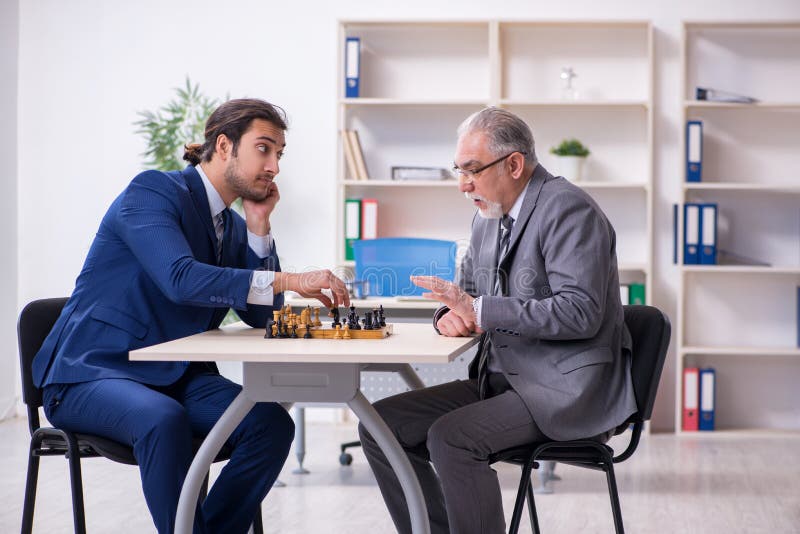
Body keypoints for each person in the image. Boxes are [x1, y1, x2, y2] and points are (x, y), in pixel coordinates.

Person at [32, 98, 350, 533]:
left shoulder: (233, 228)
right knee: (163, 419)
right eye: (264, 149)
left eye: (279, 154)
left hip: (177, 378)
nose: (275, 166)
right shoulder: (152, 193)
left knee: (270, 424)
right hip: (92, 375)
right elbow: (180, 279)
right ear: (224, 145)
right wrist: (290, 280)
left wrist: (259, 227)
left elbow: (262, 319)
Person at [358, 107, 636, 534]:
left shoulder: (568, 210)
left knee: (452, 438)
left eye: (472, 170)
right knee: (381, 426)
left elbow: (580, 312)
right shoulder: (486, 215)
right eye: (459, 170)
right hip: (506, 381)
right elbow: (466, 294)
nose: (462, 184)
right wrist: (448, 317)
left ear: (514, 164)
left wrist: (479, 311)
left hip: (566, 390)